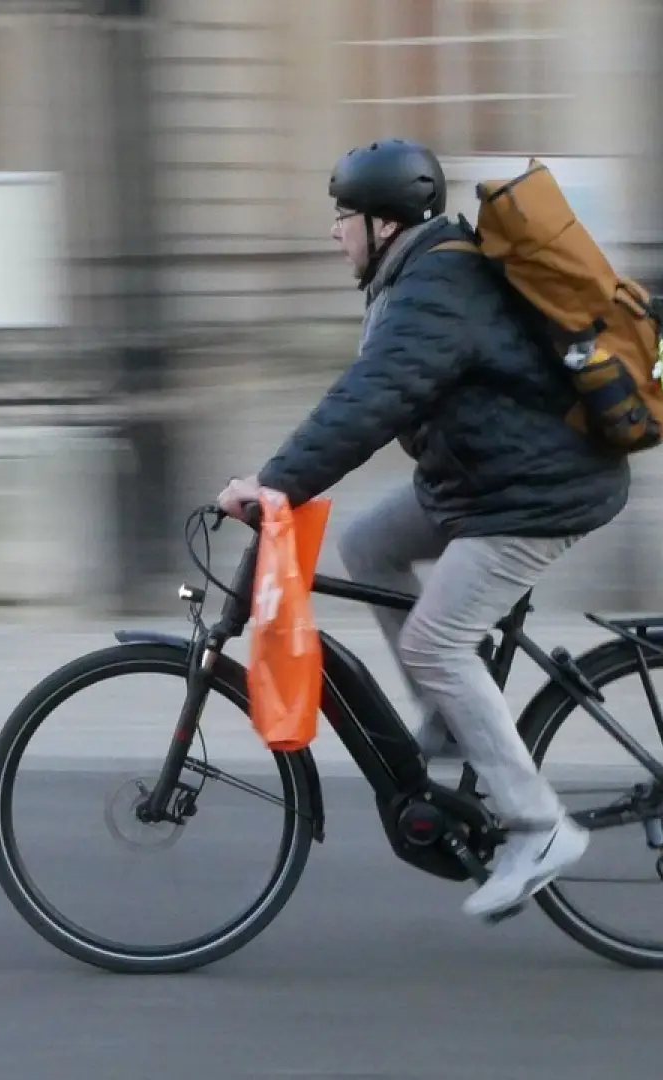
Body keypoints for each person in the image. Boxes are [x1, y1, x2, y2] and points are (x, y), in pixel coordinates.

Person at [217, 138, 632, 922]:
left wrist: (271, 486)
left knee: (435, 642)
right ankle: (450, 713)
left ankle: (539, 827)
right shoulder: (415, 276)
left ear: (382, 222)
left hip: (539, 493)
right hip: (479, 484)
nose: (334, 232)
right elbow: (363, 394)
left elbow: (372, 402)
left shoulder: (438, 285)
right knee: (368, 544)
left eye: (343, 217)